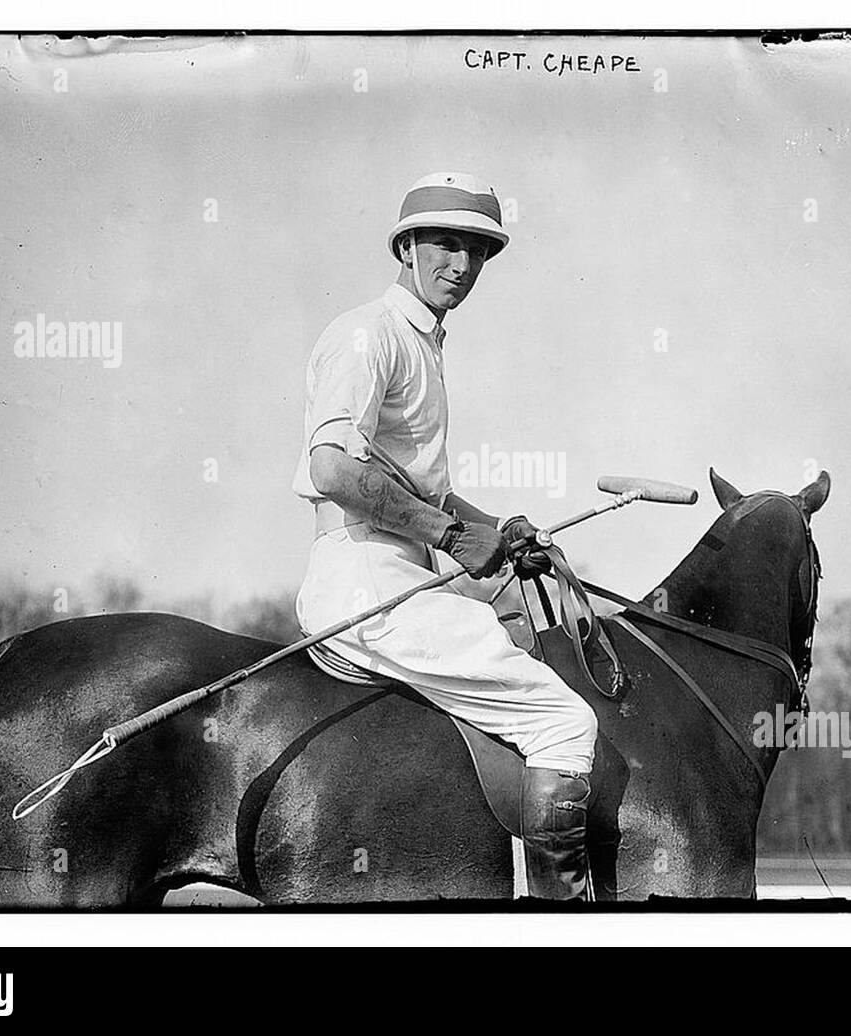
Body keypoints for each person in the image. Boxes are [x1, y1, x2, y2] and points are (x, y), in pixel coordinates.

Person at [292, 172, 599, 900]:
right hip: (365, 579)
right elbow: (332, 469)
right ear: (405, 246)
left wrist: (499, 530)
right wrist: (449, 535)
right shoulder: (367, 335)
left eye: (477, 252)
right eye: (445, 245)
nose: (461, 265)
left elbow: (424, 491)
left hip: (398, 573)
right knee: (566, 720)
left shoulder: (422, 343)